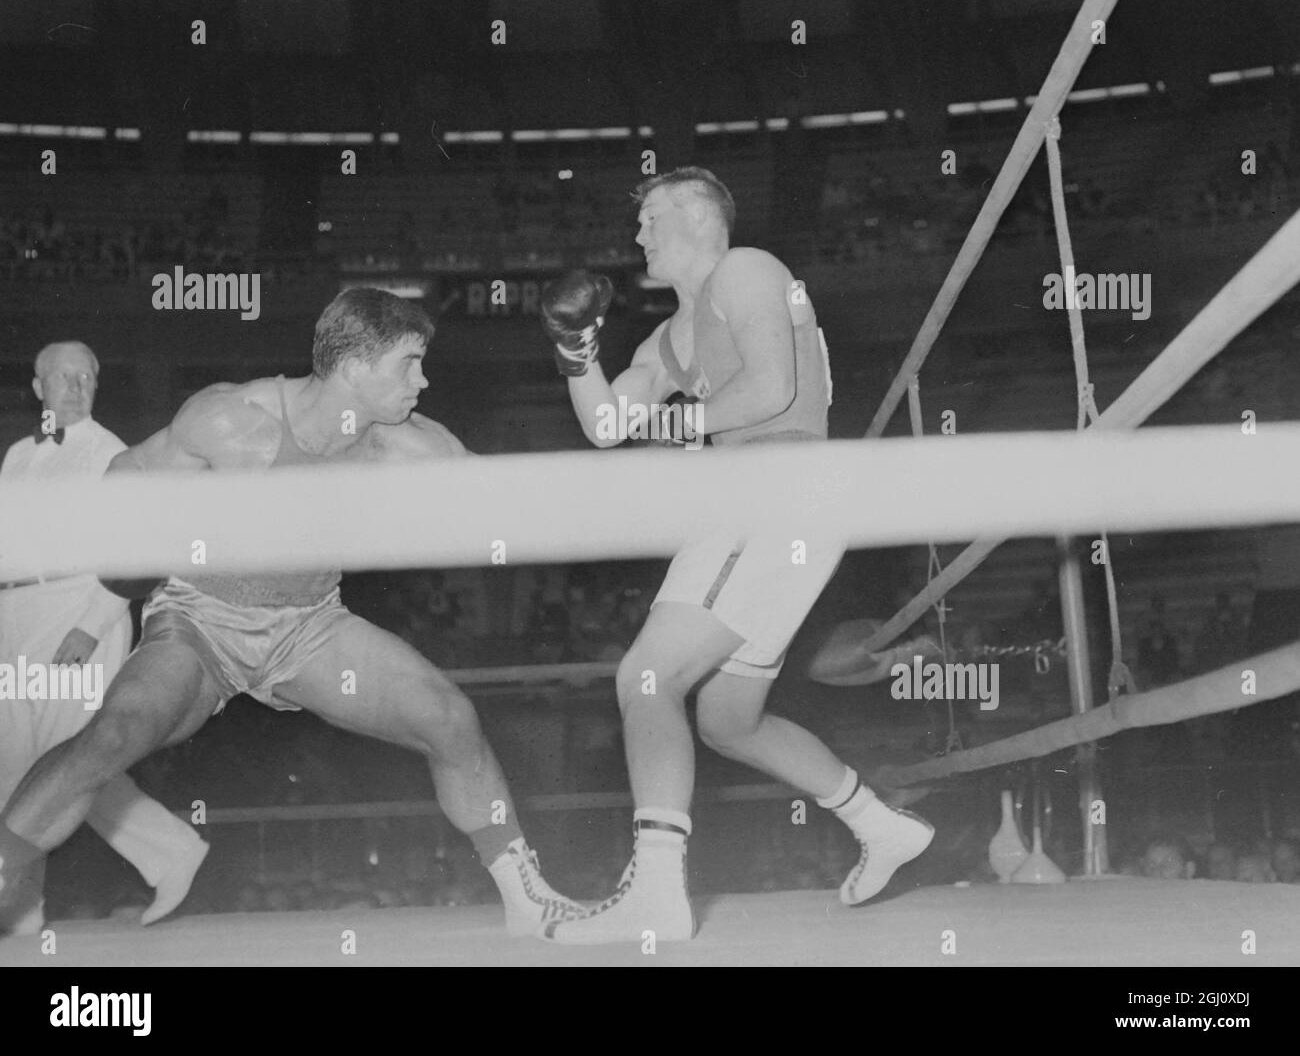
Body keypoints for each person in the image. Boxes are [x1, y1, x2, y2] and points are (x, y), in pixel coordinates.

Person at [0, 292, 584, 937]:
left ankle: (529, 900)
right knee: (113, 735)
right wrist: (134, 545)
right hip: (200, 620)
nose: (424, 380)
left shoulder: (409, 447)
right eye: (410, 363)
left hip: (308, 625)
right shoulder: (233, 420)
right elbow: (127, 470)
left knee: (448, 717)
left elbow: (514, 498)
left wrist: (582, 372)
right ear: (357, 368)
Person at [536, 167, 935, 944]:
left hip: (774, 488)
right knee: (726, 717)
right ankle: (879, 823)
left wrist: (673, 428)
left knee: (647, 678)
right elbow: (609, 425)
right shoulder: (664, 337)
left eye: (651, 215)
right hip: (775, 505)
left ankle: (656, 890)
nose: (640, 232)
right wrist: (576, 355)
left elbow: (773, 390)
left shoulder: (748, 269)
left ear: (699, 214)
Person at [0, 341, 208, 934]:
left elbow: (140, 550)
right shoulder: (18, 455)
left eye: (86, 377)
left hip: (77, 612)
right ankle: (166, 853)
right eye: (62, 377)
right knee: (28, 765)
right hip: (16, 614)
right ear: (38, 387)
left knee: (64, 759)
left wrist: (91, 627)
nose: (74, 386)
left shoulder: (114, 454)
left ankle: (23, 909)